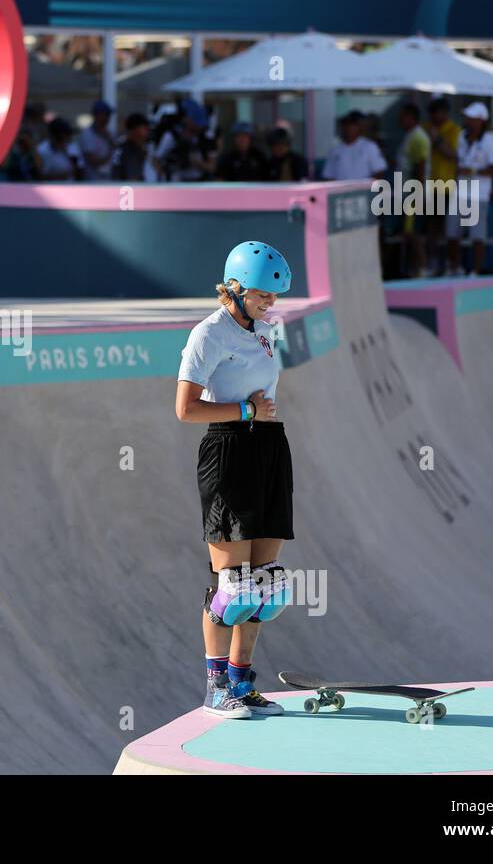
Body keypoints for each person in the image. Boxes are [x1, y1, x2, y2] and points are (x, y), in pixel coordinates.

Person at [175, 241, 295, 719]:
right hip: (228, 448)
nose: (272, 303)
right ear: (238, 288)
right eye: (265, 295)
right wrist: (246, 409)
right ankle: (215, 684)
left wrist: (260, 417)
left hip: (269, 448)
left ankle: (243, 682)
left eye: (275, 296)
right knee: (235, 587)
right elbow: (185, 408)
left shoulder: (265, 331)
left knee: (265, 589)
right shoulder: (209, 334)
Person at [448, 102, 493, 276]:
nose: (468, 121)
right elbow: (457, 160)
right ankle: (455, 268)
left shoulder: (490, 142)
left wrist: (474, 171)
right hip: (459, 192)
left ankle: (476, 271)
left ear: (481, 121)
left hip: (478, 194)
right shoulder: (461, 137)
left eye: (472, 118)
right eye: (467, 118)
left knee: (477, 236)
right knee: (452, 232)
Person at [424, 97, 460, 275]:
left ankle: (449, 264)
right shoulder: (424, 129)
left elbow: (454, 155)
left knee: (449, 227)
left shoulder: (455, 131)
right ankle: (432, 262)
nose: (437, 116)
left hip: (448, 186)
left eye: (441, 112)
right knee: (432, 227)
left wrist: (437, 139)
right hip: (429, 186)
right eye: (434, 112)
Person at [395, 103, 431, 276]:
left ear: (411, 117)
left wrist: (418, 193)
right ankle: (416, 269)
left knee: (415, 233)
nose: (399, 120)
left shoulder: (418, 137)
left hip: (414, 193)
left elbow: (422, 165)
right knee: (409, 233)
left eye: (403, 116)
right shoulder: (410, 136)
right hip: (407, 192)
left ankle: (422, 268)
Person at [156, 100, 217, 182]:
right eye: (195, 120)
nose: (198, 125)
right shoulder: (171, 136)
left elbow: (212, 167)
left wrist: (196, 163)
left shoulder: (206, 137)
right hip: (176, 182)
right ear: (186, 118)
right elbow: (156, 160)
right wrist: (165, 174)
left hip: (200, 182)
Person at [321, 110, 387, 181]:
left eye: (352, 125)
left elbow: (379, 171)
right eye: (345, 125)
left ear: (358, 127)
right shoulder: (335, 150)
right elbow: (328, 176)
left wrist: (369, 188)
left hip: (363, 190)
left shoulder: (369, 146)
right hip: (340, 190)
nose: (348, 128)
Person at [112, 112, 158, 182]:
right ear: (135, 130)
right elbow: (134, 181)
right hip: (129, 190)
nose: (148, 131)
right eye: (145, 128)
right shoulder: (130, 150)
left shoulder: (124, 146)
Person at [77, 100, 116, 180]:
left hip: (109, 180)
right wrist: (111, 152)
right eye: (106, 114)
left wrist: (110, 140)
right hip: (93, 181)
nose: (108, 118)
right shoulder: (87, 135)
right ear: (97, 115)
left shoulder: (109, 133)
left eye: (109, 115)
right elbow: (93, 161)